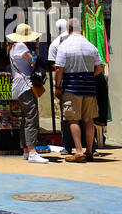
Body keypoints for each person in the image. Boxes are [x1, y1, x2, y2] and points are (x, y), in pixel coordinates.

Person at [55, 17, 104, 162]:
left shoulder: (65, 46)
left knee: (73, 120)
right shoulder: (90, 46)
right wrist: (89, 76)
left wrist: (58, 87)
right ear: (80, 28)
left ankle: (78, 151)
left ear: (68, 30)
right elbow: (100, 68)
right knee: (89, 120)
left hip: (71, 87)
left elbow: (59, 69)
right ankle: (89, 151)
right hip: (89, 87)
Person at [7, 22, 48, 163]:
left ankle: (25, 150)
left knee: (26, 118)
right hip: (25, 86)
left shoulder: (13, 48)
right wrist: (37, 47)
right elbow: (33, 62)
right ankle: (32, 152)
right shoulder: (21, 46)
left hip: (18, 87)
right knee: (32, 117)